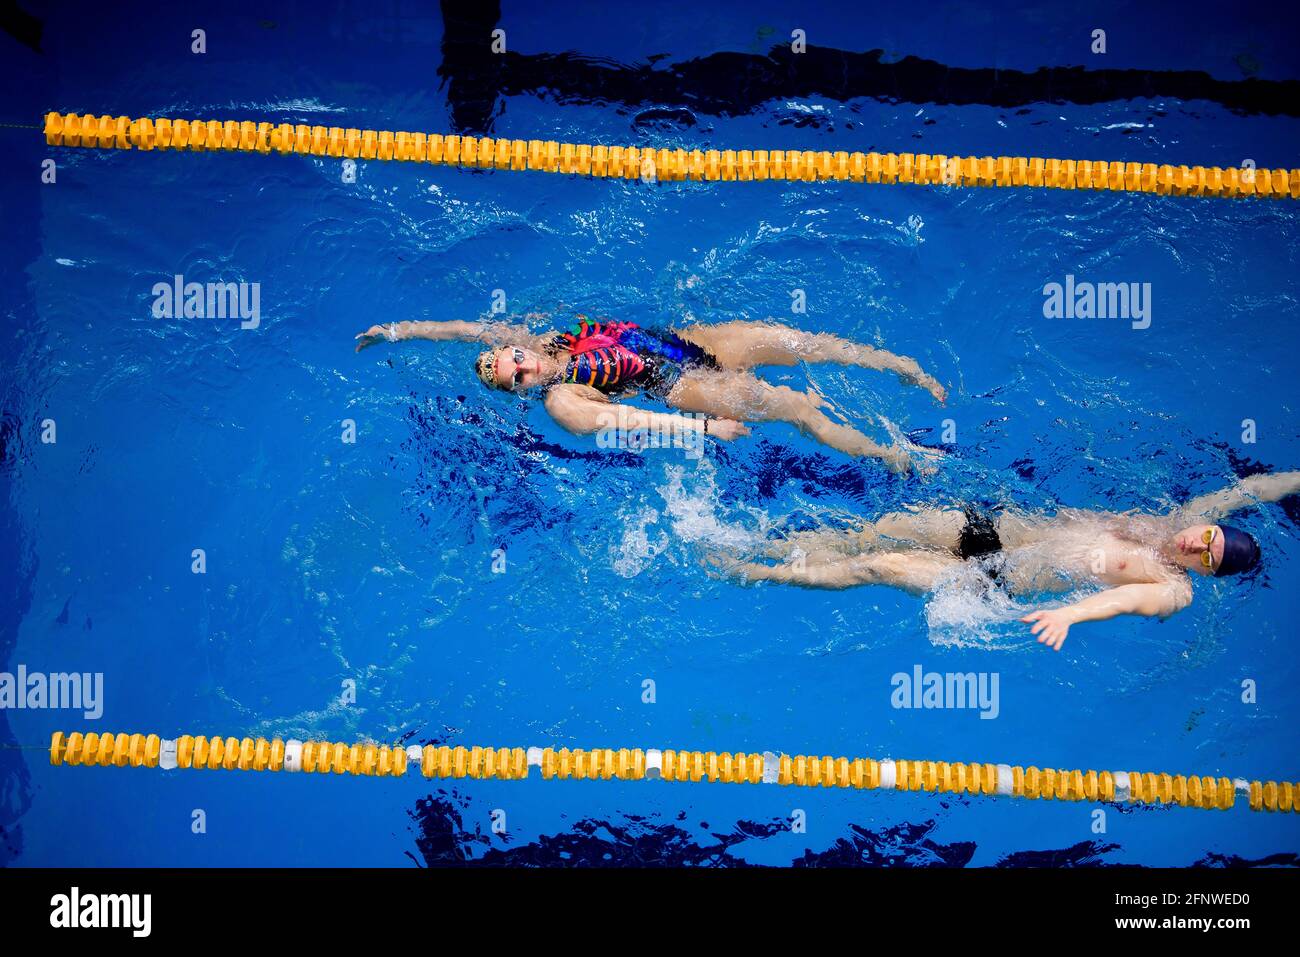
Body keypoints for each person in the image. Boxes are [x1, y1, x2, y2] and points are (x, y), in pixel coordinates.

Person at [717, 470, 1298, 650]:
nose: (1198, 545)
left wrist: (1072, 615)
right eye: (1209, 536)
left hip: (992, 577)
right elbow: (1248, 490)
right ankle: (759, 542)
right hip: (993, 530)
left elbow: (1129, 599)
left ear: (1206, 574)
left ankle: (760, 572)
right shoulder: (1176, 523)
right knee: (874, 529)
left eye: (1210, 557)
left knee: (882, 566)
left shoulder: (1173, 586)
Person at [355, 315, 945, 473]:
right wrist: (705, 429)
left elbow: (464, 330)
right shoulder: (562, 402)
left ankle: (899, 367)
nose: (522, 365)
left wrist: (397, 332)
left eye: (515, 360)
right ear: (519, 392)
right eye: (516, 378)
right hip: (681, 384)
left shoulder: (534, 340)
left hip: (684, 342)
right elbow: (624, 422)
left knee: (805, 343)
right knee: (797, 409)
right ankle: (893, 459)